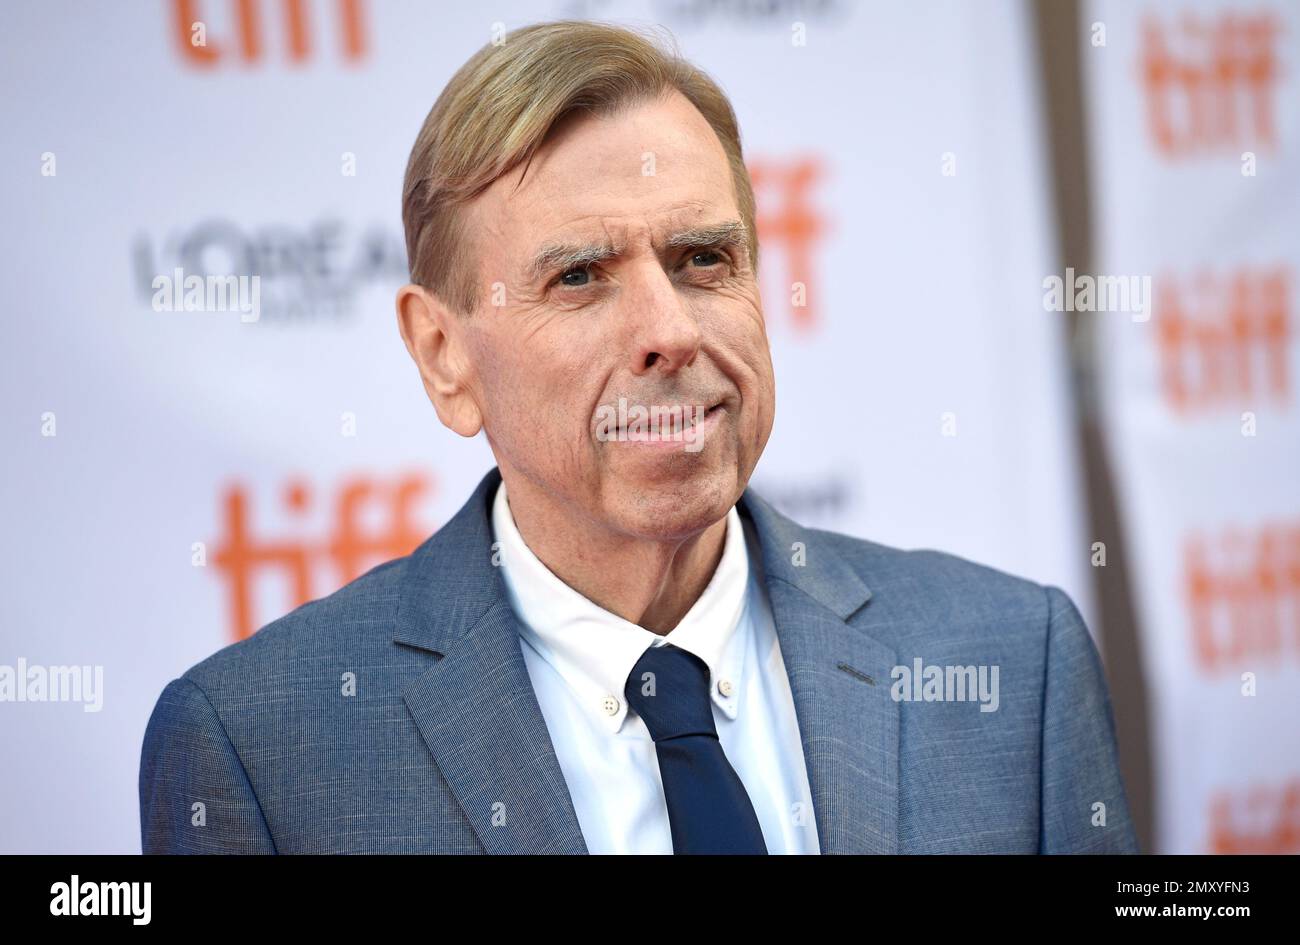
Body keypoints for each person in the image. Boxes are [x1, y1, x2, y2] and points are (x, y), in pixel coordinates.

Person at [139, 19, 1139, 854]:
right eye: (579, 277)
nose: (668, 330)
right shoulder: (262, 751)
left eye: (704, 258)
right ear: (444, 357)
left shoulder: (1014, 665)